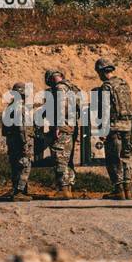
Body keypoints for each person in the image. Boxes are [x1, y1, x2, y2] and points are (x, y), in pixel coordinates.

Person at [94, 57, 132, 199]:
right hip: (127, 125)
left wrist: (102, 130)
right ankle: (128, 189)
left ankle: (119, 190)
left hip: (113, 127)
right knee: (125, 157)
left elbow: (104, 110)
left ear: (102, 72)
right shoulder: (124, 84)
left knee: (113, 158)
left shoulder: (107, 86)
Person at [44, 68, 81, 198]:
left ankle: (63, 189)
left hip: (63, 127)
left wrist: (58, 125)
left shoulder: (60, 88)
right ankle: (69, 188)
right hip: (72, 127)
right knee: (68, 158)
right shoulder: (72, 88)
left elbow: (60, 107)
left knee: (59, 157)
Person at [1, 82, 33, 201]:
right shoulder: (21, 108)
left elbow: (4, 130)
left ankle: (16, 190)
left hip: (12, 141)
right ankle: (19, 191)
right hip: (20, 141)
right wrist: (24, 142)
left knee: (15, 165)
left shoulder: (9, 107)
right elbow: (22, 128)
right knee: (25, 164)